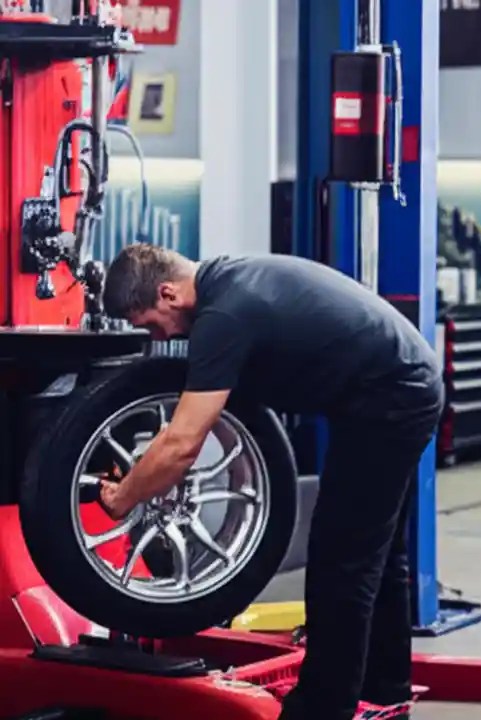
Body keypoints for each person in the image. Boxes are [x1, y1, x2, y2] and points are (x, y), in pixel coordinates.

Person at [97, 244, 443, 720]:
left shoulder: (224, 317)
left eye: (152, 324)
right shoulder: (229, 282)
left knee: (342, 561)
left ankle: (324, 709)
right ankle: (386, 694)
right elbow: (190, 419)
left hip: (391, 400)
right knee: (378, 558)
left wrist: (125, 497)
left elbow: (182, 443)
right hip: (402, 383)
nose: (160, 337)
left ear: (167, 292)